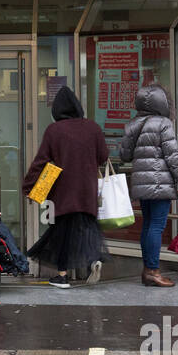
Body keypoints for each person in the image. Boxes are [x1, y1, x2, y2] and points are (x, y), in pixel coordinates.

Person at [22, 85, 110, 288]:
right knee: (87, 228)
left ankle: (62, 276)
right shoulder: (93, 127)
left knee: (61, 233)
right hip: (87, 190)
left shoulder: (54, 130)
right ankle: (93, 259)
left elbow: (41, 162)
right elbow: (103, 156)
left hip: (63, 192)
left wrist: (29, 187)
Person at [118, 83, 178, 287]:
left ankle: (148, 269)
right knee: (156, 227)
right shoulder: (164, 124)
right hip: (160, 183)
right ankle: (152, 271)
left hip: (142, 183)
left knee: (148, 225)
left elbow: (124, 155)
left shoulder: (133, 124)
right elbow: (173, 157)